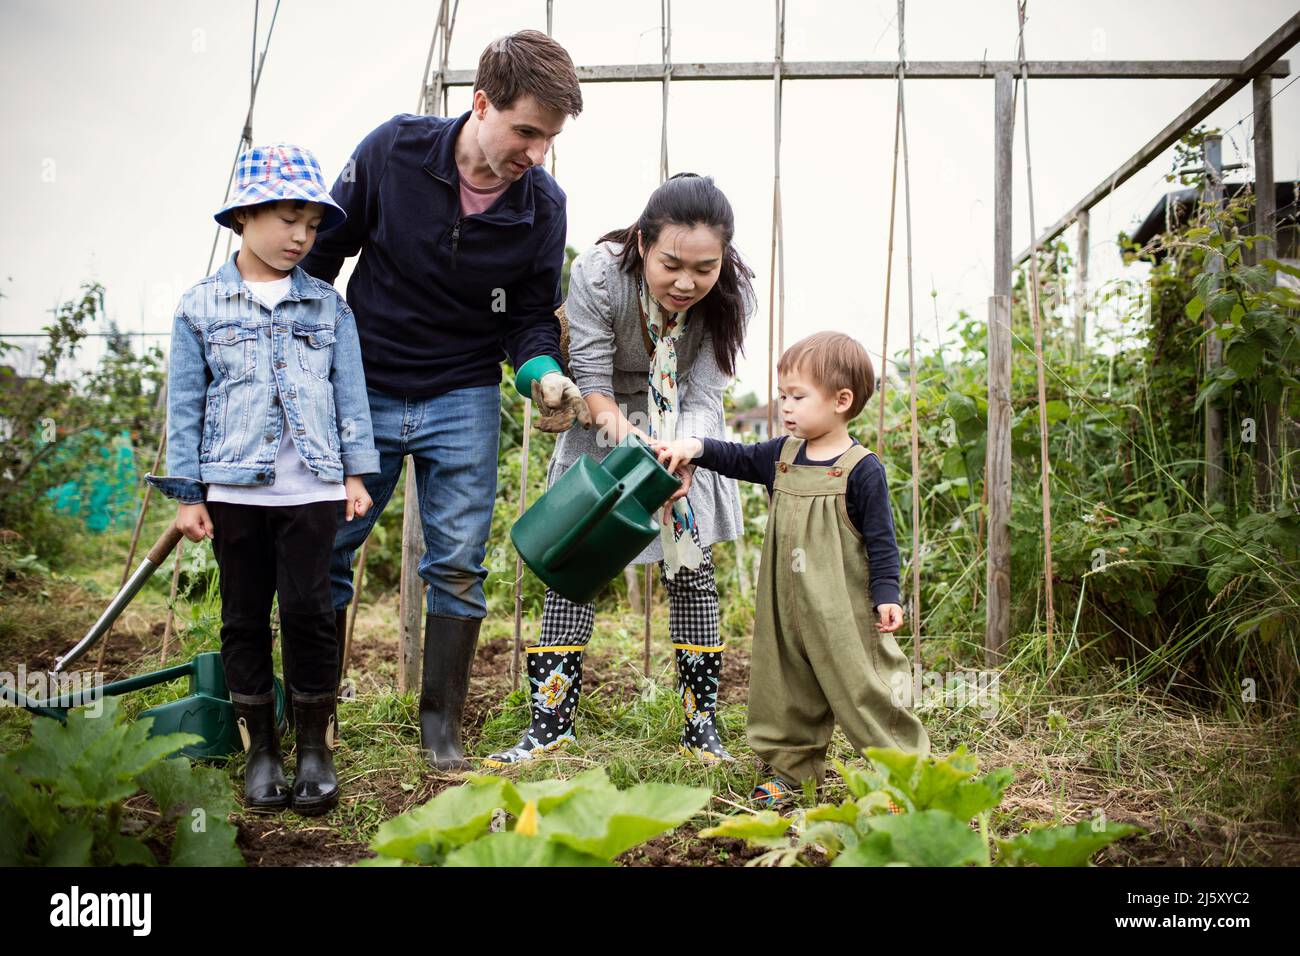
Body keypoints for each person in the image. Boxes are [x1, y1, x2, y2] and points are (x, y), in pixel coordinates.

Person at [298, 31, 591, 770]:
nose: (536, 152)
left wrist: (542, 372)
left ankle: (441, 729)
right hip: (363, 381)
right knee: (327, 549)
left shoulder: (542, 206)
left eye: (549, 139)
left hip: (462, 389)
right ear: (481, 102)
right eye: (526, 130)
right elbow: (322, 258)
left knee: (458, 561)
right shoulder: (393, 154)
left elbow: (527, 316)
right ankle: (313, 726)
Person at [484, 172, 756, 767]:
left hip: (684, 431)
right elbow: (595, 383)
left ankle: (699, 727)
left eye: (704, 268)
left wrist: (686, 452)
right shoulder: (599, 275)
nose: (687, 282)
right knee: (572, 564)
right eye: (672, 264)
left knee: (692, 573)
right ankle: (550, 727)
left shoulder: (733, 294)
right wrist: (638, 451)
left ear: (723, 260)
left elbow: (708, 394)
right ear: (642, 243)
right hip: (607, 425)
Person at [146, 144, 378, 815]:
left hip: (311, 492)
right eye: (288, 220)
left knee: (309, 614)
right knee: (243, 618)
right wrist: (189, 494)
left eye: (311, 224)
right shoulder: (201, 307)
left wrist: (357, 473)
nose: (302, 237)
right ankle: (262, 755)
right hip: (233, 492)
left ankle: (314, 750)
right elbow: (185, 406)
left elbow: (350, 394)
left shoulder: (327, 308)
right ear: (244, 218)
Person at [653, 331, 929, 807]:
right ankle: (789, 769)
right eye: (783, 395)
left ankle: (903, 772)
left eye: (798, 396)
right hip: (784, 605)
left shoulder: (862, 469)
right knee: (783, 686)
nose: (785, 406)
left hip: (842, 610)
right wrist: (693, 446)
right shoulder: (780, 456)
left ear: (842, 401)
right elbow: (733, 456)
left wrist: (888, 594)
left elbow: (884, 542)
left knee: (863, 686)